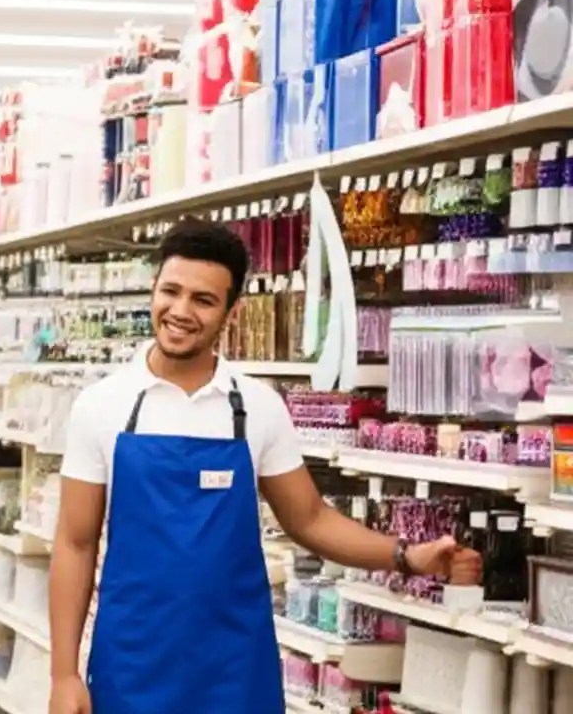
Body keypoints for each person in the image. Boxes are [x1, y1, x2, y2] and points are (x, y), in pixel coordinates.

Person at [48, 220, 482, 714]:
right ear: (154, 290)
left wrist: (407, 556)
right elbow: (75, 543)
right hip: (131, 662)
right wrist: (63, 674)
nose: (181, 311)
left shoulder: (257, 407)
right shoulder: (102, 405)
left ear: (230, 313)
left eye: (204, 300)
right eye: (171, 291)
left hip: (235, 666)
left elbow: (310, 519)